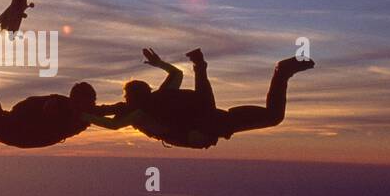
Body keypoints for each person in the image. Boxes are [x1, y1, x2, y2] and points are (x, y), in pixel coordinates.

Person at [85, 48, 314, 148]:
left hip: (211, 124)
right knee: (271, 116)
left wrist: (85, 114)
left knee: (273, 117)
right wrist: (159, 64)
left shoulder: (139, 113)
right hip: (213, 114)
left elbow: (112, 124)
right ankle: (201, 65)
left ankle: (281, 73)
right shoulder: (162, 96)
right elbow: (176, 73)